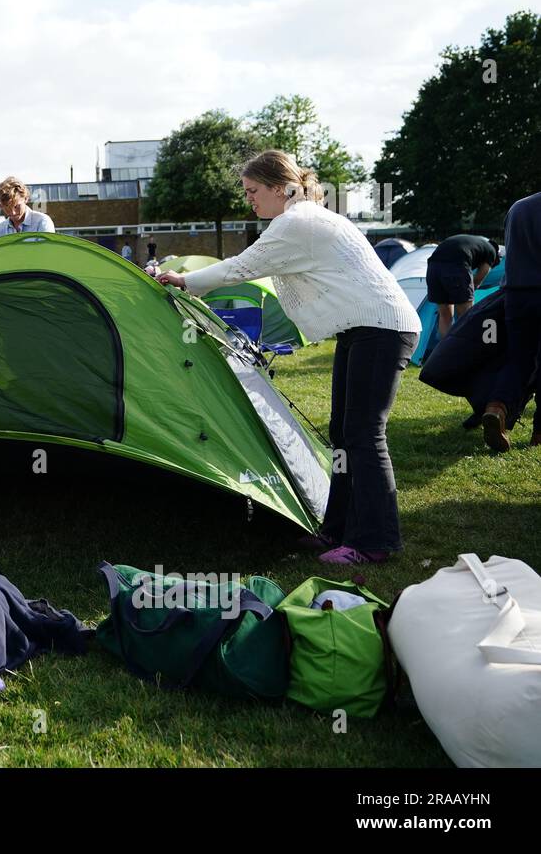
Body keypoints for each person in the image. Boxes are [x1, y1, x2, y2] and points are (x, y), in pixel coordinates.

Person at [152, 150, 420, 566]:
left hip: (381, 328)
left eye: (254, 191)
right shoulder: (307, 216)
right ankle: (337, 530)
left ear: (281, 188)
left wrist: (185, 280)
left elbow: (243, 266)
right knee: (344, 433)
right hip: (365, 328)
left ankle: (375, 542)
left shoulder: (298, 222)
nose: (250, 200)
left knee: (364, 435)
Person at [482, 191, 541, 452]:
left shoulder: (518, 207)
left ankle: (497, 407)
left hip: (516, 294)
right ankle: (539, 433)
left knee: (518, 359)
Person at [425, 234, 498, 338]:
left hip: (433, 268)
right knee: (465, 316)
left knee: (445, 316)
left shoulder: (474, 242)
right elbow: (478, 280)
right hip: (456, 266)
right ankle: (465, 348)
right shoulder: (491, 251)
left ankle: (446, 350)